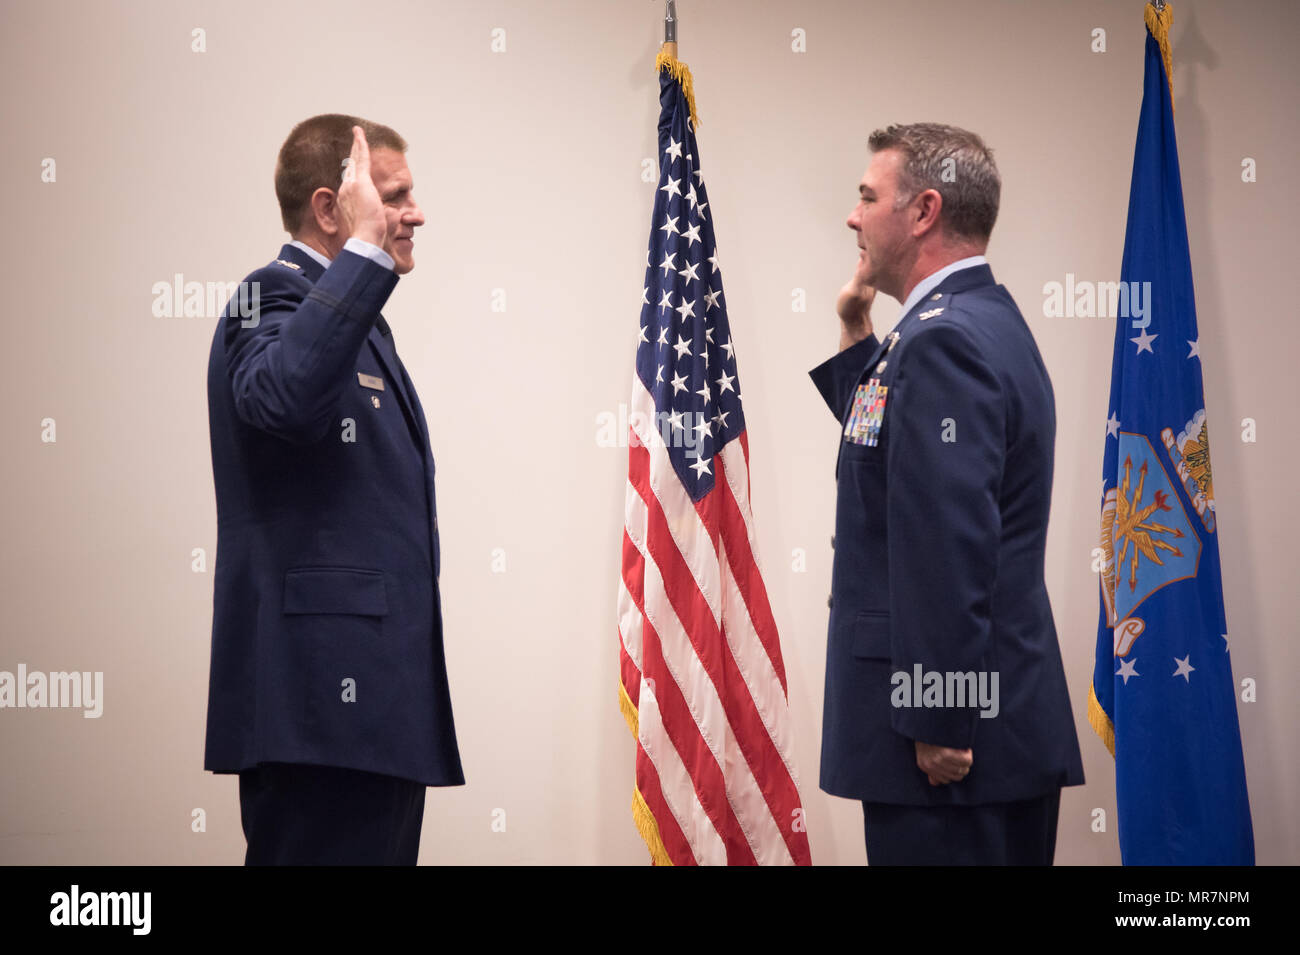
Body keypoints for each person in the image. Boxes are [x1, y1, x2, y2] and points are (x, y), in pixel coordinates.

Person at [808, 123, 1084, 865]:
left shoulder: (943, 342)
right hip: (982, 731)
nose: (852, 215)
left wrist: (939, 713)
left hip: (950, 755)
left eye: (868, 196)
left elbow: (947, 544)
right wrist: (856, 327)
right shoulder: (968, 323)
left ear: (924, 210)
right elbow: (896, 460)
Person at [204, 114, 463, 865]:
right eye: (395, 195)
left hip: (377, 708)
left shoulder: (360, 321)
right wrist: (361, 253)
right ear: (332, 208)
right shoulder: (265, 298)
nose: (415, 213)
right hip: (316, 704)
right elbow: (280, 399)